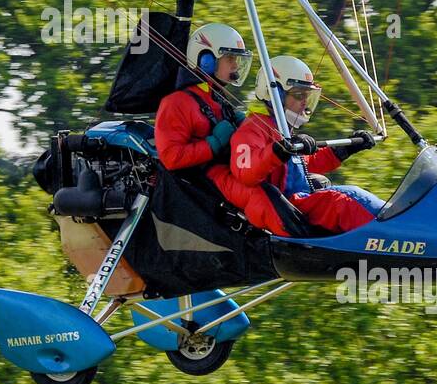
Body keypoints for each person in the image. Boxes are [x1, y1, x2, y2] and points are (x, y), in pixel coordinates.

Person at [212, 55, 383, 236]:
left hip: (301, 200)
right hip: (290, 206)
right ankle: (388, 234)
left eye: (307, 96)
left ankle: (393, 222)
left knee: (352, 195)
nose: (304, 103)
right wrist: (279, 150)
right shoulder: (253, 128)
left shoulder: (282, 129)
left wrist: (345, 149)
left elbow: (302, 165)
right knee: (344, 201)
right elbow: (245, 172)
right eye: (299, 95)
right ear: (277, 94)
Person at [154, 23, 252, 172]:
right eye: (230, 58)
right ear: (207, 61)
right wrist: (213, 143)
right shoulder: (176, 103)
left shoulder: (216, 97)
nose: (236, 67)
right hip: (196, 184)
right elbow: (170, 157)